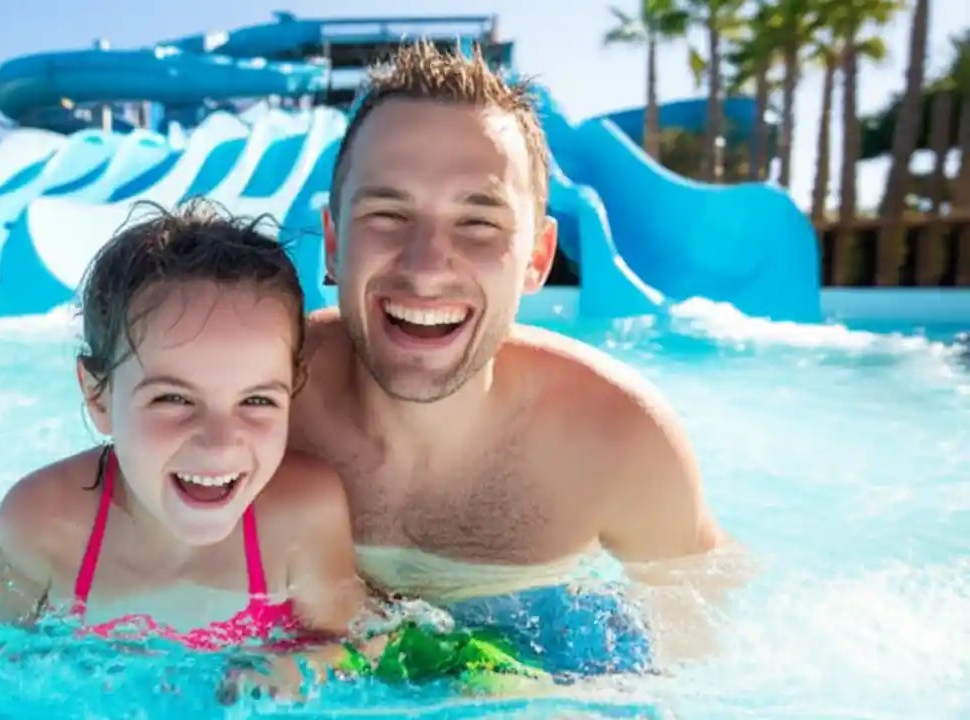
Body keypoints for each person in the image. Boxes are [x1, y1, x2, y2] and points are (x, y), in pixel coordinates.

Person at [289, 41, 740, 678]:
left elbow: (705, 632)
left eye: (478, 224)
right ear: (333, 246)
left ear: (537, 259)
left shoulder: (617, 440)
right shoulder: (260, 402)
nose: (424, 268)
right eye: (387, 214)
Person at [0, 200, 366, 653]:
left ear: (293, 391)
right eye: (174, 399)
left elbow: (352, 648)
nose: (220, 443)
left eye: (257, 400)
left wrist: (299, 668)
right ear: (97, 395)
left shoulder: (302, 516)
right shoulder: (41, 525)